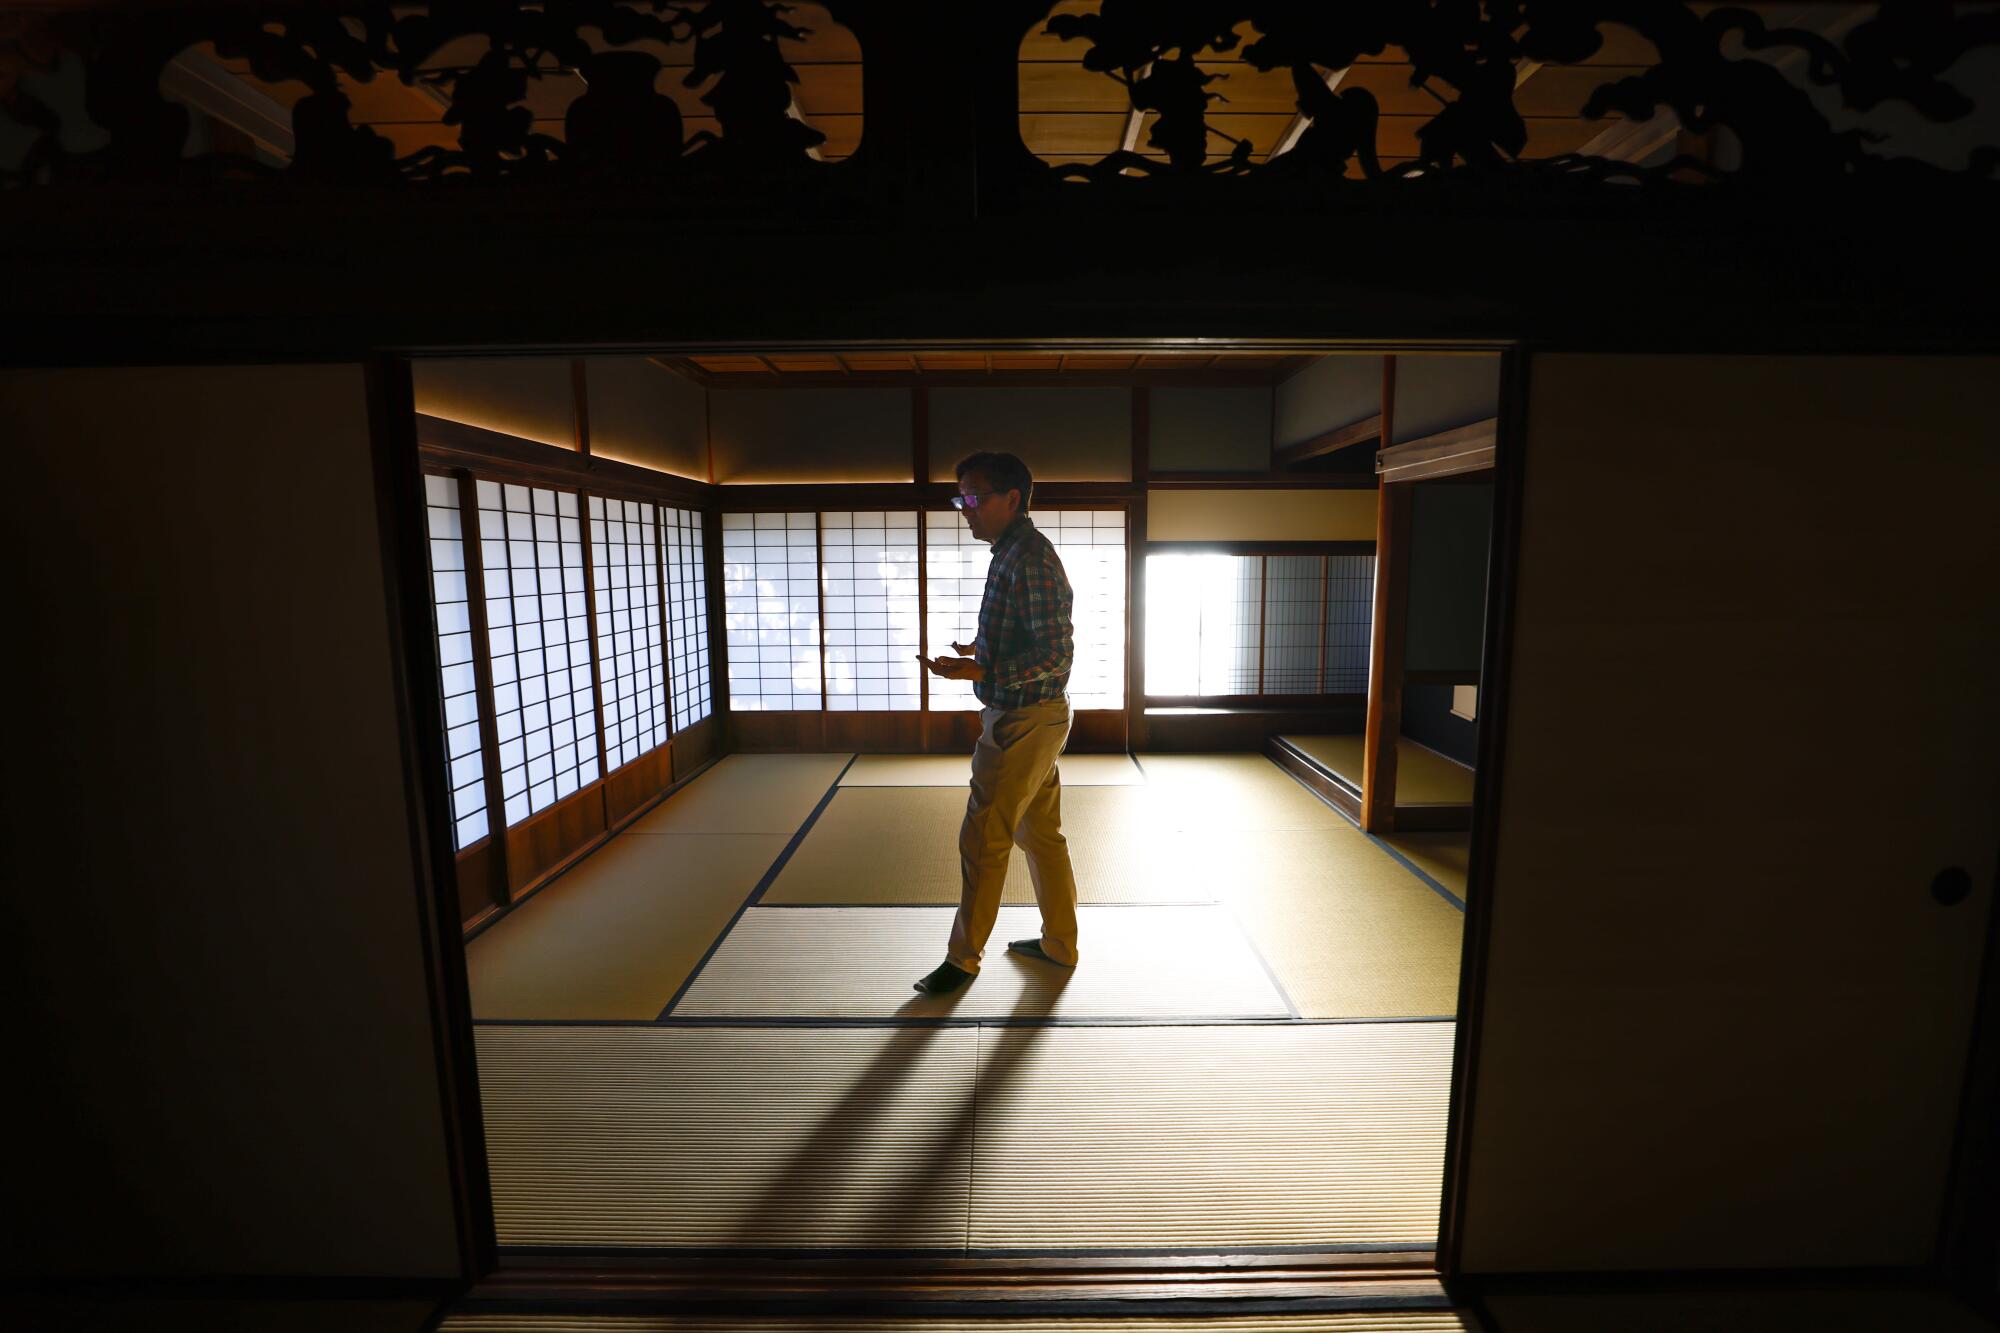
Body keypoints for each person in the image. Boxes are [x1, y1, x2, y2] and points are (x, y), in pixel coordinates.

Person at [912, 451, 1080, 995]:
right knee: (1040, 834)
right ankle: (1060, 942)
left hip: (1024, 720)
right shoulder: (1011, 550)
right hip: (1031, 714)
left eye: (976, 497)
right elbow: (1027, 636)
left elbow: (1056, 654)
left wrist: (981, 667)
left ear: (1013, 498)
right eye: (961, 498)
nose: (967, 509)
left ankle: (962, 960)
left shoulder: (1029, 557)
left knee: (984, 836)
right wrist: (977, 649)